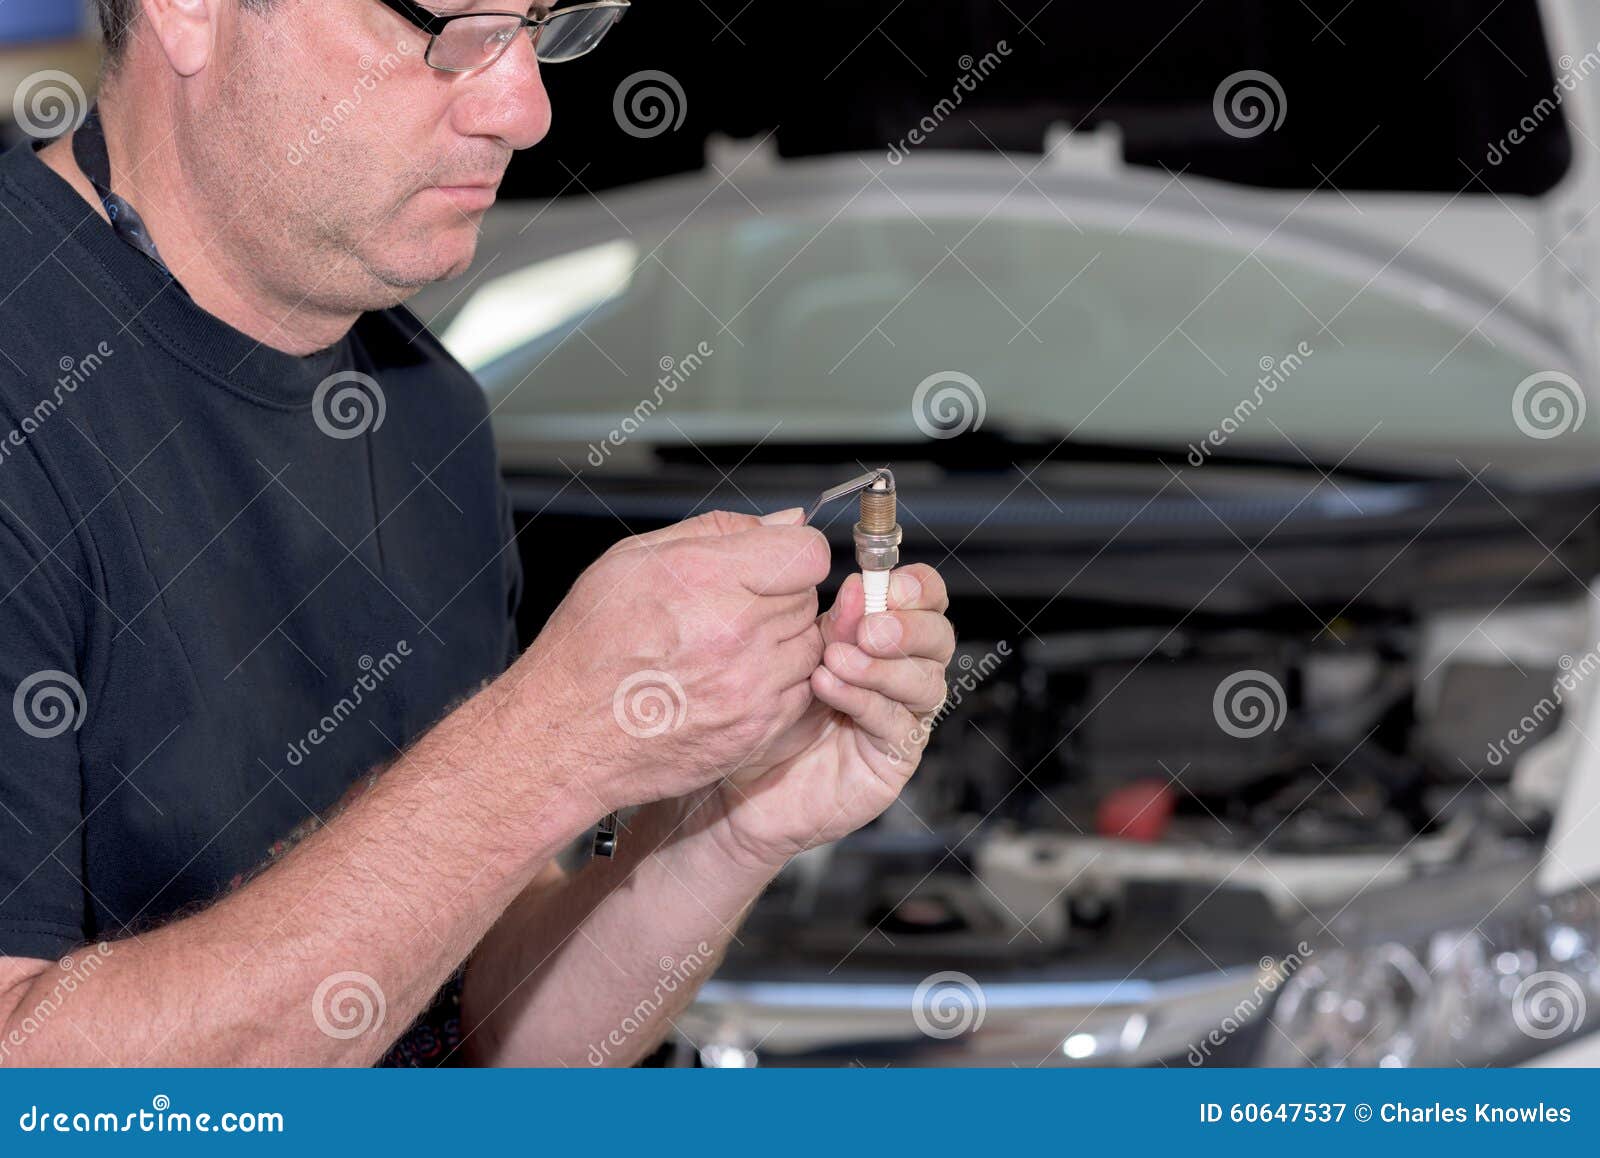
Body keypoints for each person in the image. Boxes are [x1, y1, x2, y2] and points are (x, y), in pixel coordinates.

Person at [0, 0, 955, 1065]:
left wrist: (724, 828)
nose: (527, 110)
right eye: (453, 27)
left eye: (544, 31)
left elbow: (488, 1030)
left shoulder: (427, 411)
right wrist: (544, 744)